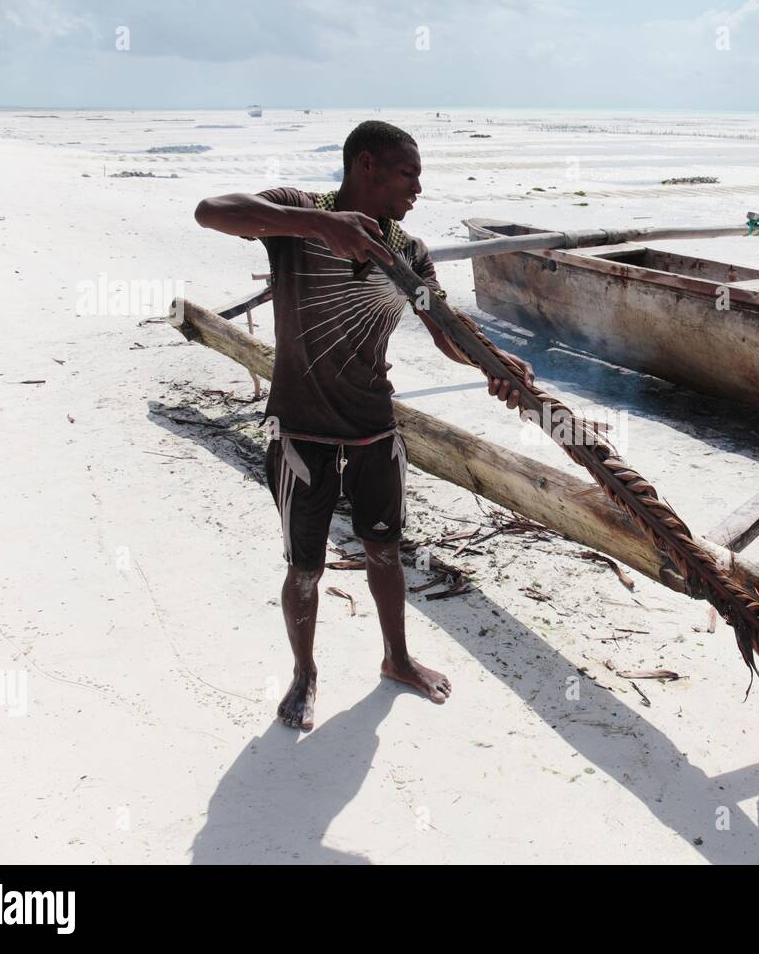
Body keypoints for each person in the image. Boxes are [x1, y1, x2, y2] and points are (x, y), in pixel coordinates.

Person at [194, 120, 532, 729]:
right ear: (366, 164)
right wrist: (321, 225)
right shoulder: (298, 215)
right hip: (300, 432)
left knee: (385, 550)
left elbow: (443, 329)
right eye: (409, 173)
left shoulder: (408, 252)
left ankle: (397, 659)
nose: (418, 188)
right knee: (305, 567)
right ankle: (305, 673)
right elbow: (210, 211)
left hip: (374, 429)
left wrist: (492, 363)